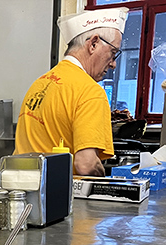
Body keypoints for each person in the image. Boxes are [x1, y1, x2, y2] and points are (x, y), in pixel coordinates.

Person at [14, 8, 129, 176]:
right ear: (94, 43)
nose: (113, 64)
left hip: (23, 193)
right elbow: (86, 164)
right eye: (113, 53)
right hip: (60, 195)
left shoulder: (39, 84)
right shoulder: (90, 91)